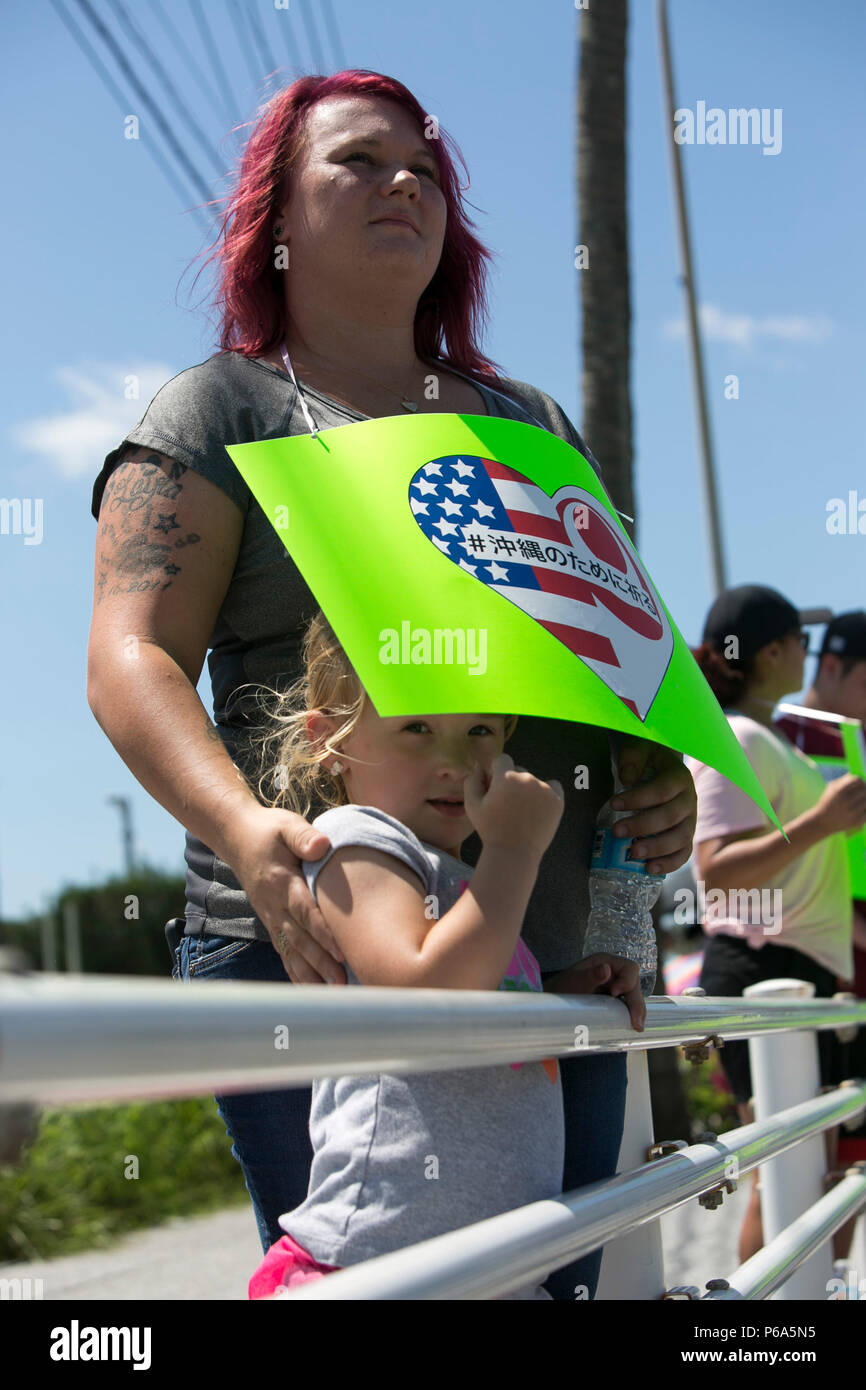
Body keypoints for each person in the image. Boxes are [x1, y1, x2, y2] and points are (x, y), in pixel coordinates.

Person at [86, 69, 697, 1300]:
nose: (402, 180)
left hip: (540, 956)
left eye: (422, 166)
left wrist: (657, 776)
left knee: (548, 1288)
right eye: (357, 161)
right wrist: (244, 829)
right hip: (302, 947)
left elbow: (617, 662)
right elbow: (129, 652)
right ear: (272, 220)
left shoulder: (526, 424)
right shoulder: (215, 410)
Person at [244, 610, 647, 1298]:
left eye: (480, 731)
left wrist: (561, 988)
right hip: (385, 1253)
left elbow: (476, 981)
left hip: (489, 1258)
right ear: (329, 743)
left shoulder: (462, 880)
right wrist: (517, 851)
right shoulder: (354, 840)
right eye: (416, 727)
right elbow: (431, 995)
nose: (455, 761)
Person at [686, 585, 866, 1261]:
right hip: (764, 969)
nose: (806, 654)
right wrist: (822, 822)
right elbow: (717, 868)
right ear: (771, 651)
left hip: (797, 971)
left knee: (811, 1171)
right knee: (782, 1174)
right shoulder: (740, 736)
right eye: (798, 640)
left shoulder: (762, 737)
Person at [774, 611, 866, 1166]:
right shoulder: (779, 738)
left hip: (851, 961)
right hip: (810, 965)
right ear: (829, 666)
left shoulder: (855, 739)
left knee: (852, 1162)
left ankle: (832, 1259)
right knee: (798, 1170)